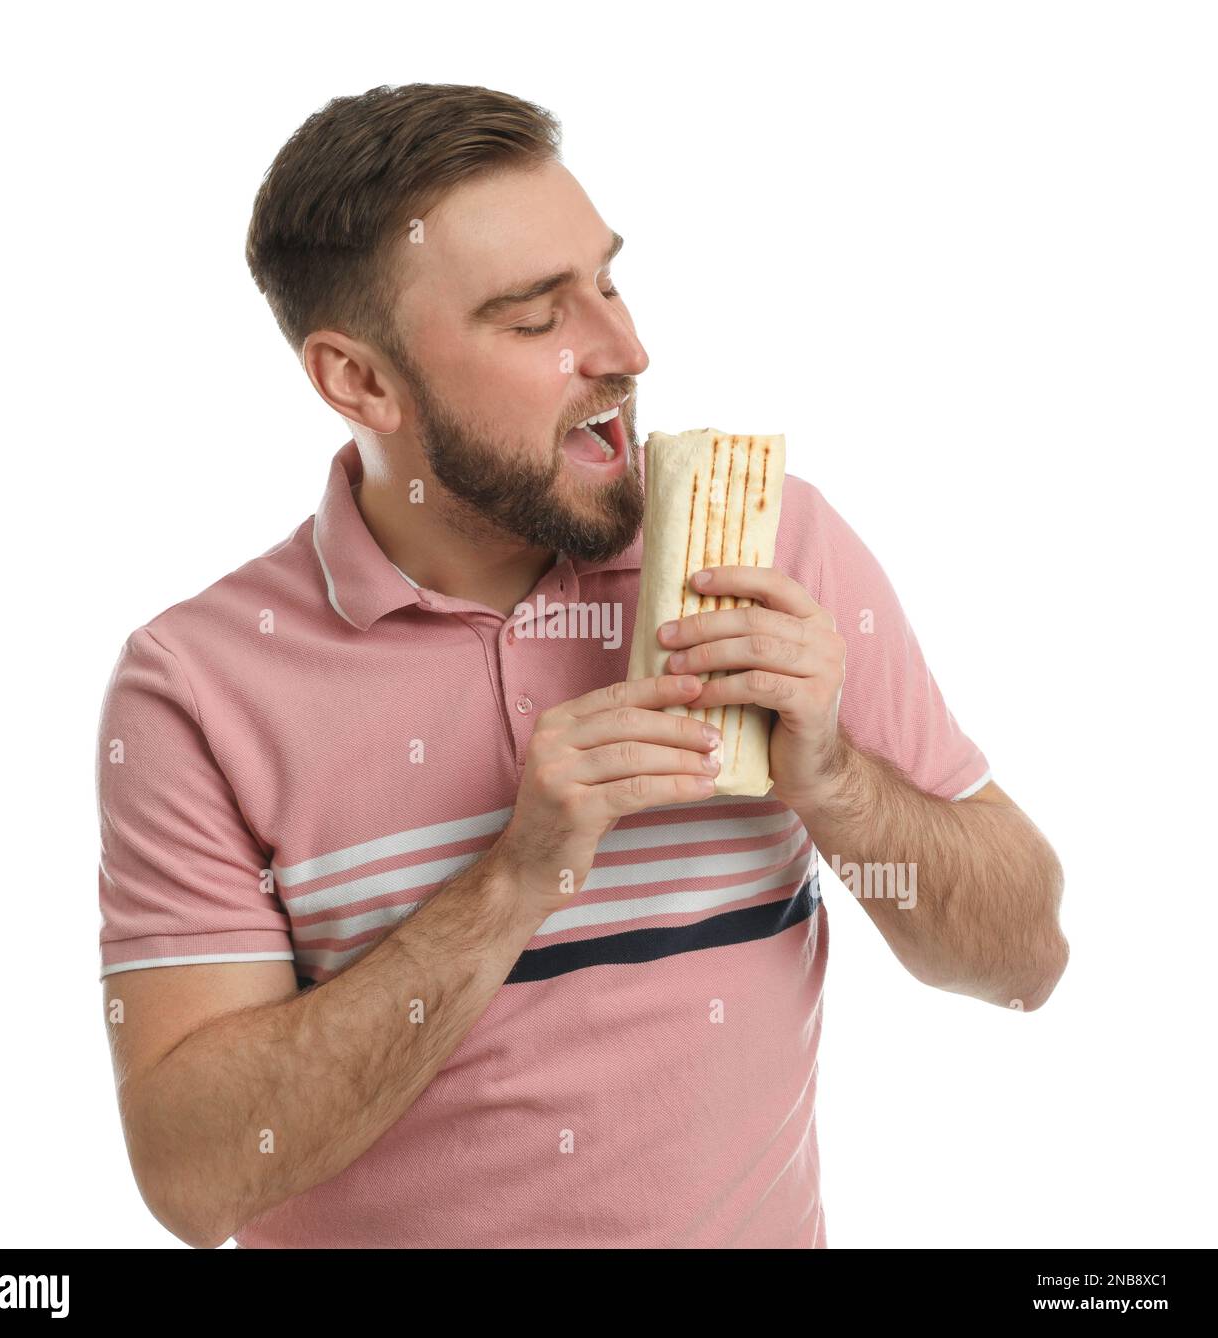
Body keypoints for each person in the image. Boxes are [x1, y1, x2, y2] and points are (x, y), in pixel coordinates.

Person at [96, 83, 1068, 1249]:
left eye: (606, 281)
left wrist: (837, 784)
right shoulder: (198, 685)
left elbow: (1025, 963)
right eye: (531, 319)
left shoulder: (770, 553)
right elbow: (197, 1181)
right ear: (360, 381)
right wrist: (514, 879)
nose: (624, 351)